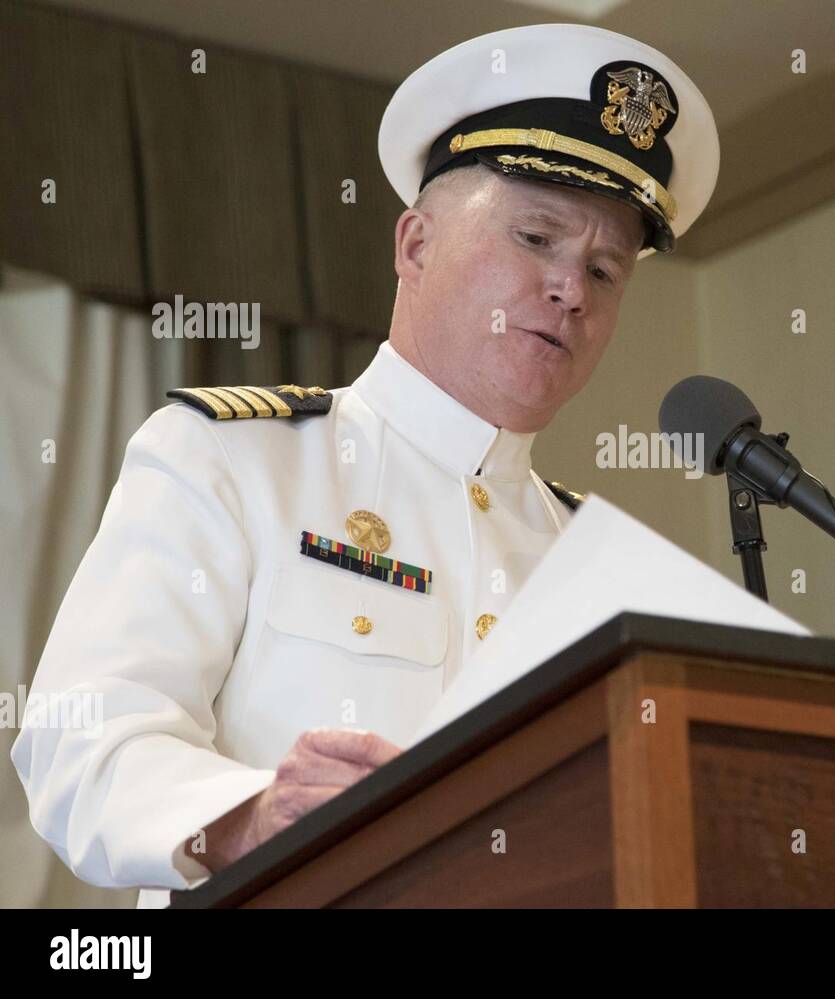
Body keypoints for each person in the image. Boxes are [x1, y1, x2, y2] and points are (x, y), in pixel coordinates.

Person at [10, 22, 719, 908]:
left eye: (606, 269)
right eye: (538, 238)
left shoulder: (601, 567)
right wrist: (252, 817)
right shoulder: (233, 459)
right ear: (415, 245)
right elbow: (80, 741)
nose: (571, 289)